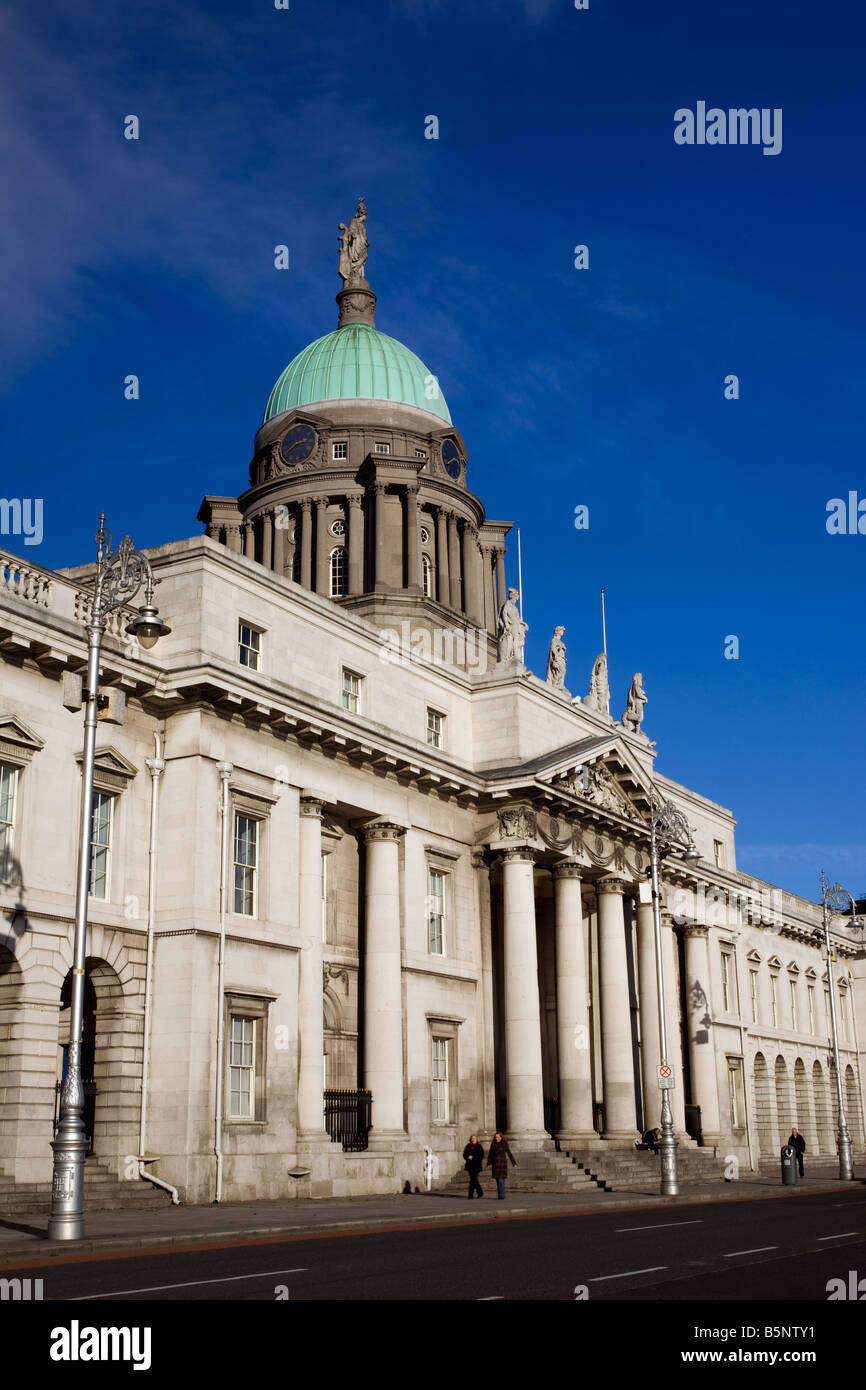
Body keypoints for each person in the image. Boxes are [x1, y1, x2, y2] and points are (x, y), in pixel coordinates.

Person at [486, 1131, 517, 1199]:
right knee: (497, 1180)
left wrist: (513, 1163)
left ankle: (502, 1195)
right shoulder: (493, 1144)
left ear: (501, 1137)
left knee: (501, 1180)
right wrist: (488, 1162)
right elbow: (490, 1154)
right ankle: (500, 1194)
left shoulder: (504, 1143)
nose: (496, 1138)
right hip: (495, 1165)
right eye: (495, 1137)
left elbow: (509, 1153)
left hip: (502, 1164)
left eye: (498, 1137)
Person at [463, 1134, 484, 1199]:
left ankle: (471, 1194)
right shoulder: (468, 1146)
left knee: (473, 1179)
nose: (473, 1139)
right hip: (470, 1166)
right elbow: (464, 1154)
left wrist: (473, 1157)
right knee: (474, 1179)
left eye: (474, 1138)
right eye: (472, 1138)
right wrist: (467, 1157)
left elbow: (481, 1156)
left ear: (476, 1139)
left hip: (476, 1166)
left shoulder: (479, 1146)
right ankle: (480, 1192)